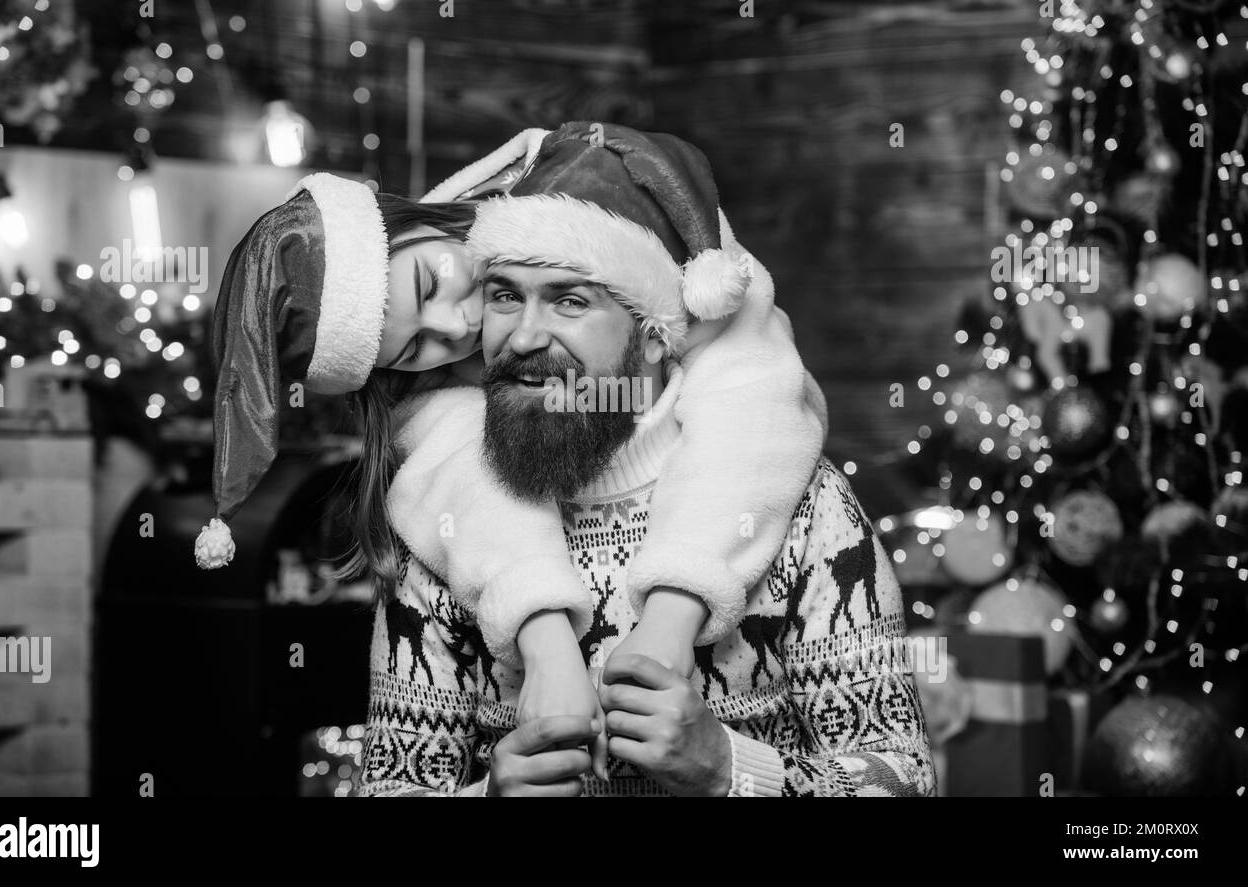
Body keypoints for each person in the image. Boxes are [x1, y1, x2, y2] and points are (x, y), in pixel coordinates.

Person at [196, 124, 827, 773]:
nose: (458, 326)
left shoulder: (593, 190)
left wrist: (674, 615)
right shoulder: (442, 408)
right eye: (415, 348)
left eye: (428, 287)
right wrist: (544, 637)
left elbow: (753, 394)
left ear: (412, 220)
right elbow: (463, 472)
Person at [352, 136, 936, 794]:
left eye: (570, 300)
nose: (521, 337)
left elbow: (906, 778)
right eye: (505, 295)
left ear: (657, 335)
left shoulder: (807, 508)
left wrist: (730, 771)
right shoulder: (446, 520)